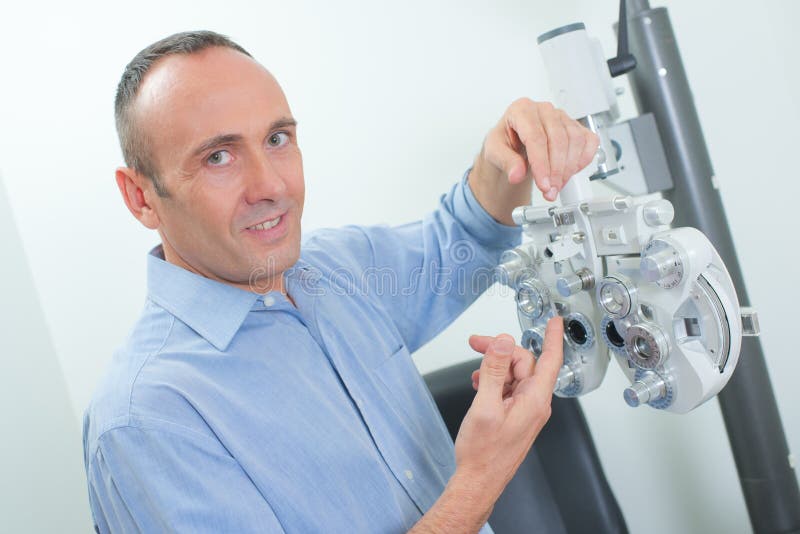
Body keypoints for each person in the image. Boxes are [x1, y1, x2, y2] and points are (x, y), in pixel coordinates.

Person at [82, 30, 599, 533]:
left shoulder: (338, 269)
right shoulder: (146, 417)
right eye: (218, 157)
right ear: (141, 198)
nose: (272, 185)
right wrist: (480, 481)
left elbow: (465, 237)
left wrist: (506, 153)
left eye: (277, 139)